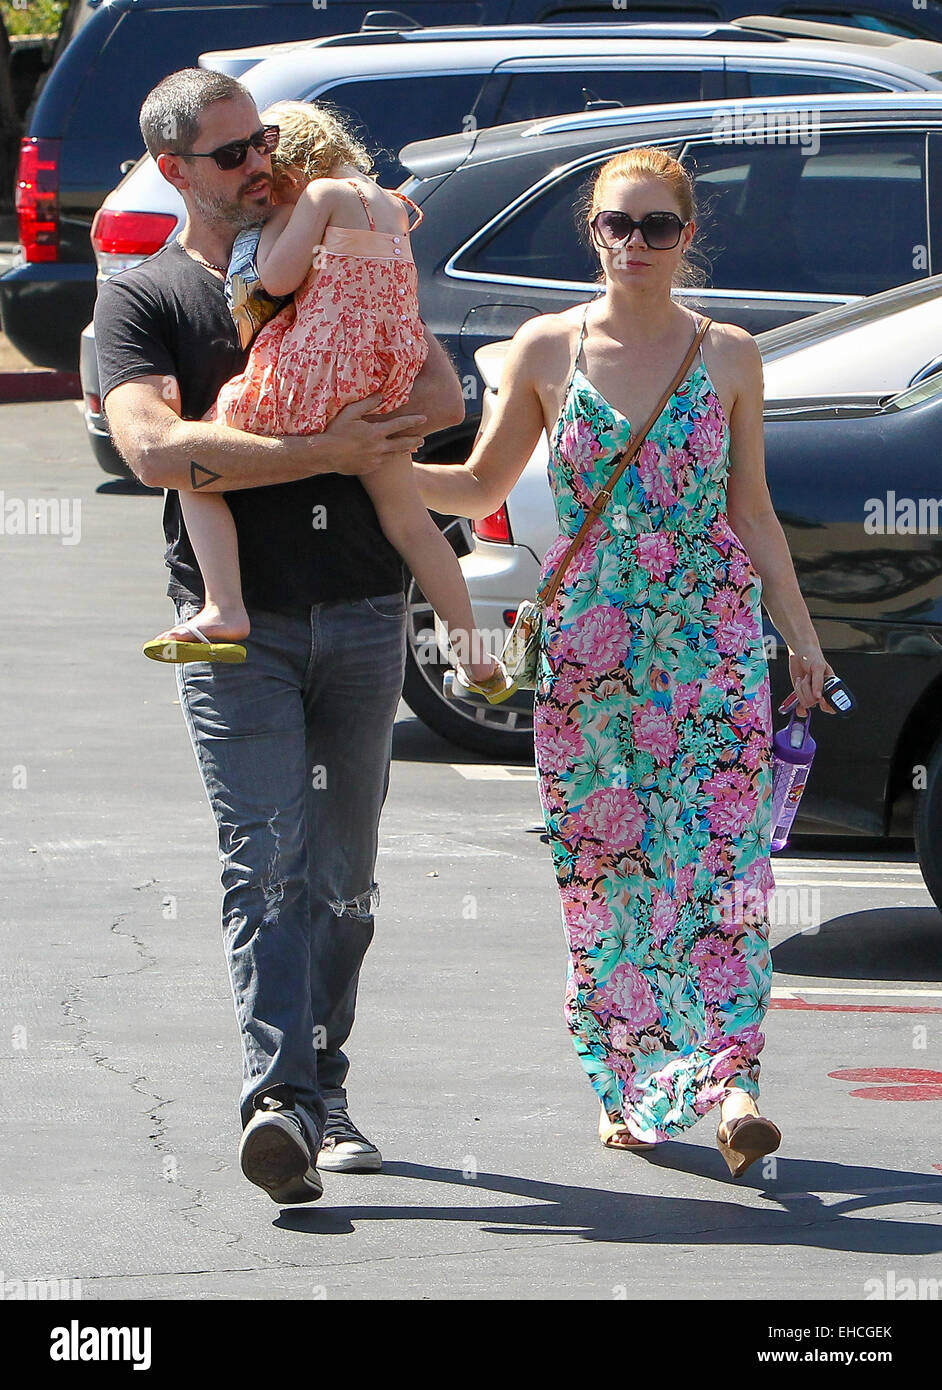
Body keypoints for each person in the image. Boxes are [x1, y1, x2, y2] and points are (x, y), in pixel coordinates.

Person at [413, 147, 838, 1179]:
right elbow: (479, 487)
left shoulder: (730, 353)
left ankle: (733, 1083)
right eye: (617, 224)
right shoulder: (547, 348)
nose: (635, 244)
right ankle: (633, 1081)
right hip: (594, 659)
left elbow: (751, 508)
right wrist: (369, 461)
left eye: (658, 226)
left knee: (724, 869)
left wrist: (802, 635)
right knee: (611, 874)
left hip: (712, 645)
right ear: (591, 232)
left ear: (688, 236)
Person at [95, 67, 466, 1204]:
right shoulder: (146, 297)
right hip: (233, 630)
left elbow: (441, 394)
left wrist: (357, 416)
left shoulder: (331, 253)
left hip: (358, 613)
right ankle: (284, 1102)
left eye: (260, 141)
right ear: (173, 171)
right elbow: (157, 452)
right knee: (267, 863)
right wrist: (322, 447)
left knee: (344, 878)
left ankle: (325, 1076)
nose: (257, 163)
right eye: (228, 154)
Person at [143, 100, 510, 700]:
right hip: (381, 374)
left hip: (320, 369)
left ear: (294, 162)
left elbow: (280, 279)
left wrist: (268, 247)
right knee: (413, 525)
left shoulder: (319, 199)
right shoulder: (395, 204)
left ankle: (223, 606)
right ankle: (475, 655)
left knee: (196, 467)